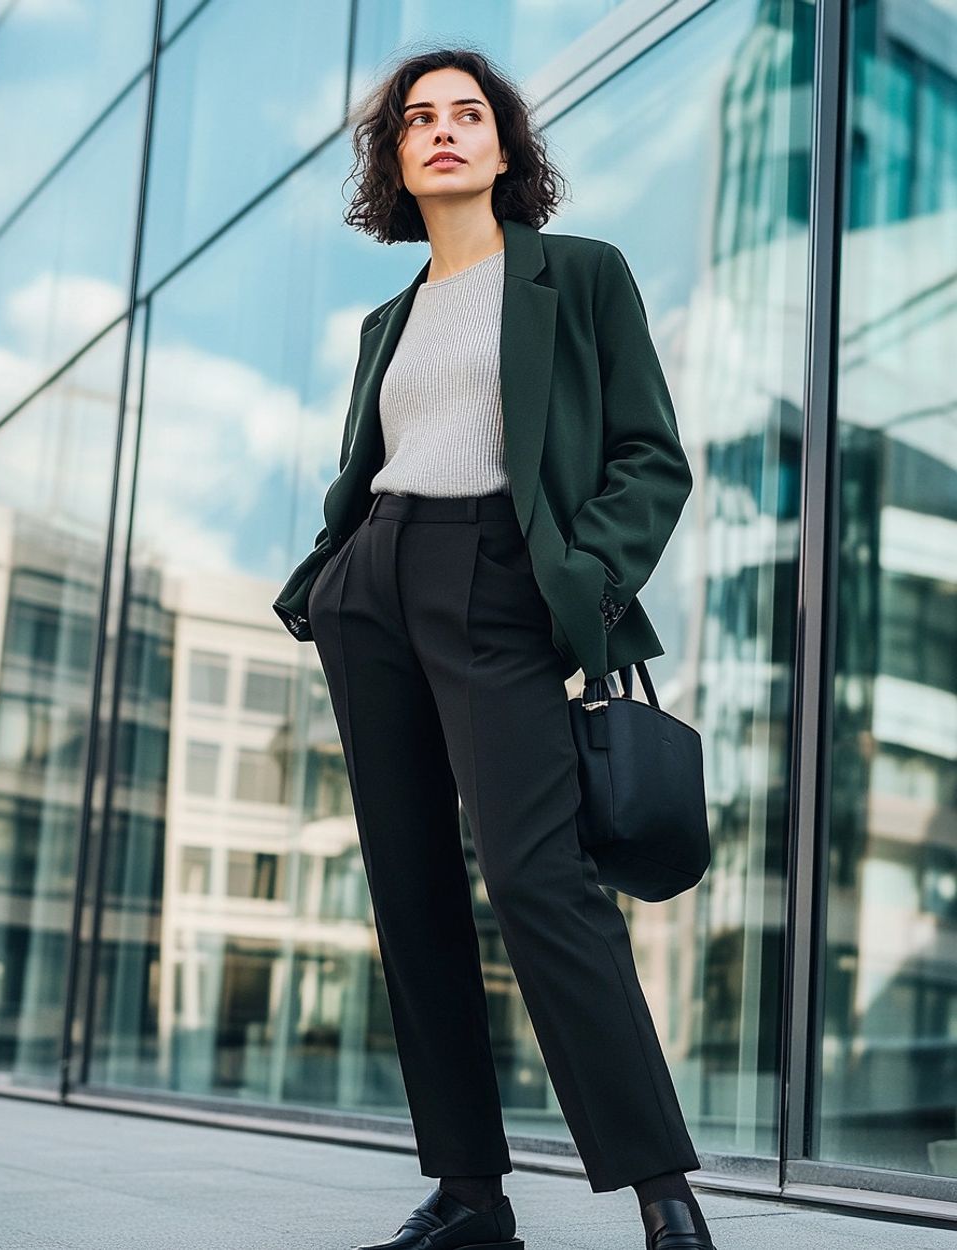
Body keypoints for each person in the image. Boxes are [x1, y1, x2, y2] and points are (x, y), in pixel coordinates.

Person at [273, 46, 717, 1250]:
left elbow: (649, 456)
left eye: (467, 113)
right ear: (395, 161)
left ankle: (662, 1190)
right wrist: (330, 575)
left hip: (500, 575)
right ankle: (469, 1194)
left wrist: (575, 578)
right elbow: (373, 467)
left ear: (505, 146)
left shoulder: (580, 275)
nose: (443, 130)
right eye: (418, 119)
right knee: (410, 886)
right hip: (375, 586)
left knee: (536, 876)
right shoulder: (387, 319)